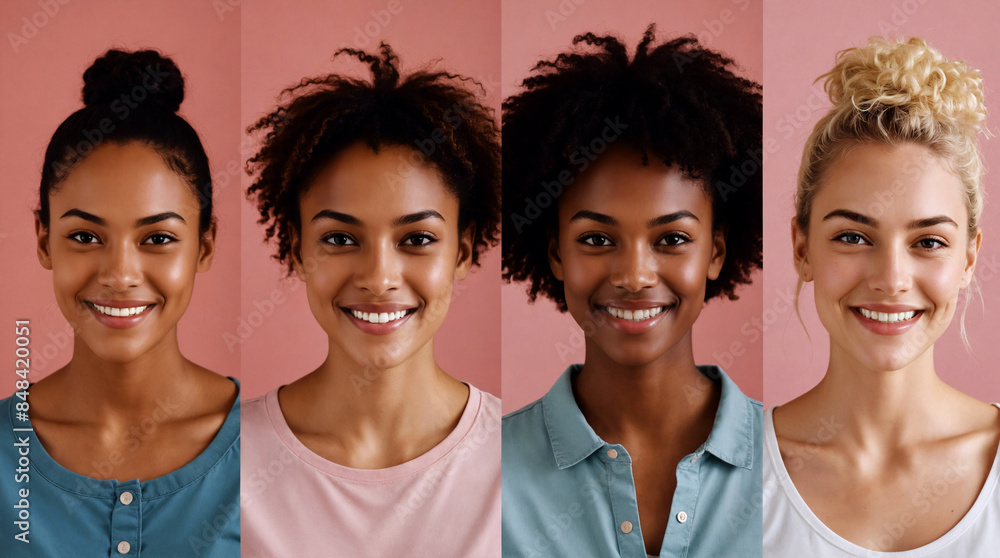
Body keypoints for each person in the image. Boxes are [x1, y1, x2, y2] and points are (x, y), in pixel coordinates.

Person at [501, 26, 763, 558]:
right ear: (555, 253)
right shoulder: (484, 473)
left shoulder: (794, 461)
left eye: (672, 239)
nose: (636, 276)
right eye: (596, 239)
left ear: (715, 252)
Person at [241, 43, 502, 557]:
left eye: (418, 239)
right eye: (339, 239)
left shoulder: (520, 462)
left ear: (463, 251)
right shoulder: (222, 463)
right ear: (296, 250)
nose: (380, 278)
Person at [764, 37, 1000, 556]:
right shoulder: (728, 475)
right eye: (853, 236)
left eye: (929, 243)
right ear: (801, 247)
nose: (891, 278)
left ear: (968, 259)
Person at [0, 49, 239, 557]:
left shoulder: (270, 451)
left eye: (157, 239)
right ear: (43, 240)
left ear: (206, 245)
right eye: (85, 236)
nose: (119, 275)